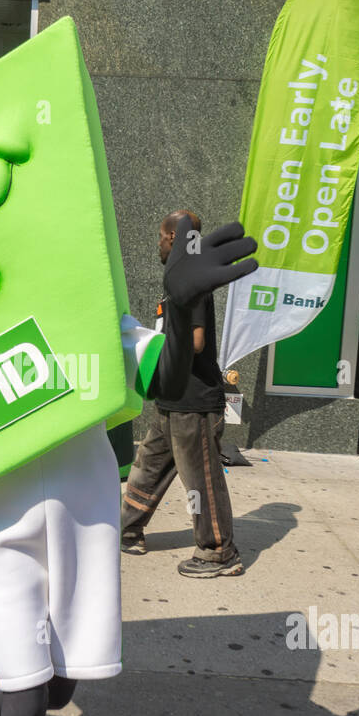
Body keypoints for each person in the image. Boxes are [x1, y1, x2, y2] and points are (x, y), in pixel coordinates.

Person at [119, 210, 243, 578]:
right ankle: (127, 529)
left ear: (173, 237)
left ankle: (218, 552)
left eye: (160, 236)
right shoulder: (179, 277)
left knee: (200, 482)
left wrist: (156, 344)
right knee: (149, 466)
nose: (157, 243)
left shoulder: (193, 281)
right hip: (172, 397)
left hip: (195, 402)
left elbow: (196, 341)